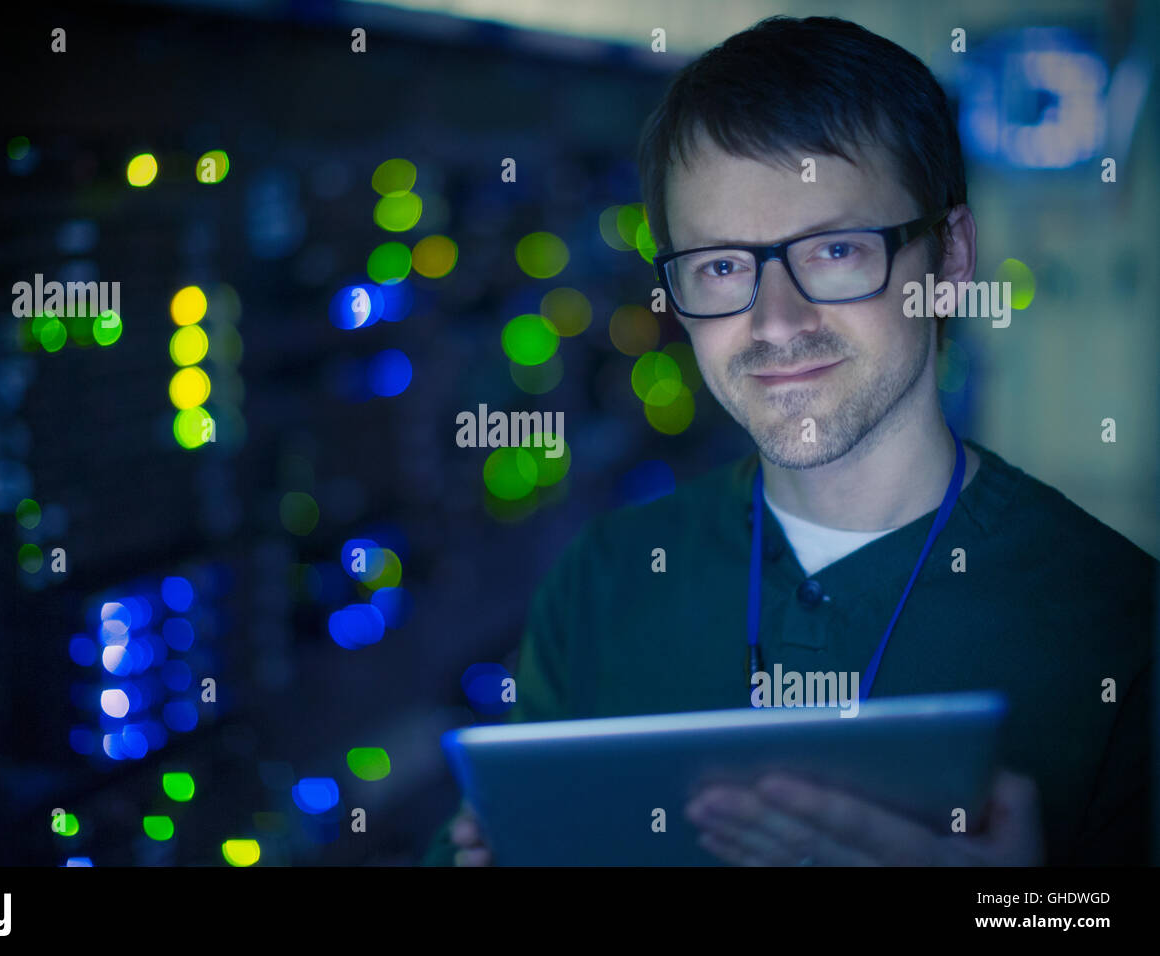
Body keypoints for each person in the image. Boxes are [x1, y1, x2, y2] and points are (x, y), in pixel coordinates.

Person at [423, 15, 1155, 866]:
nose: (776, 322)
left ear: (951, 257)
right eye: (723, 267)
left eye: (836, 250)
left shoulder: (1122, 626)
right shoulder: (606, 578)